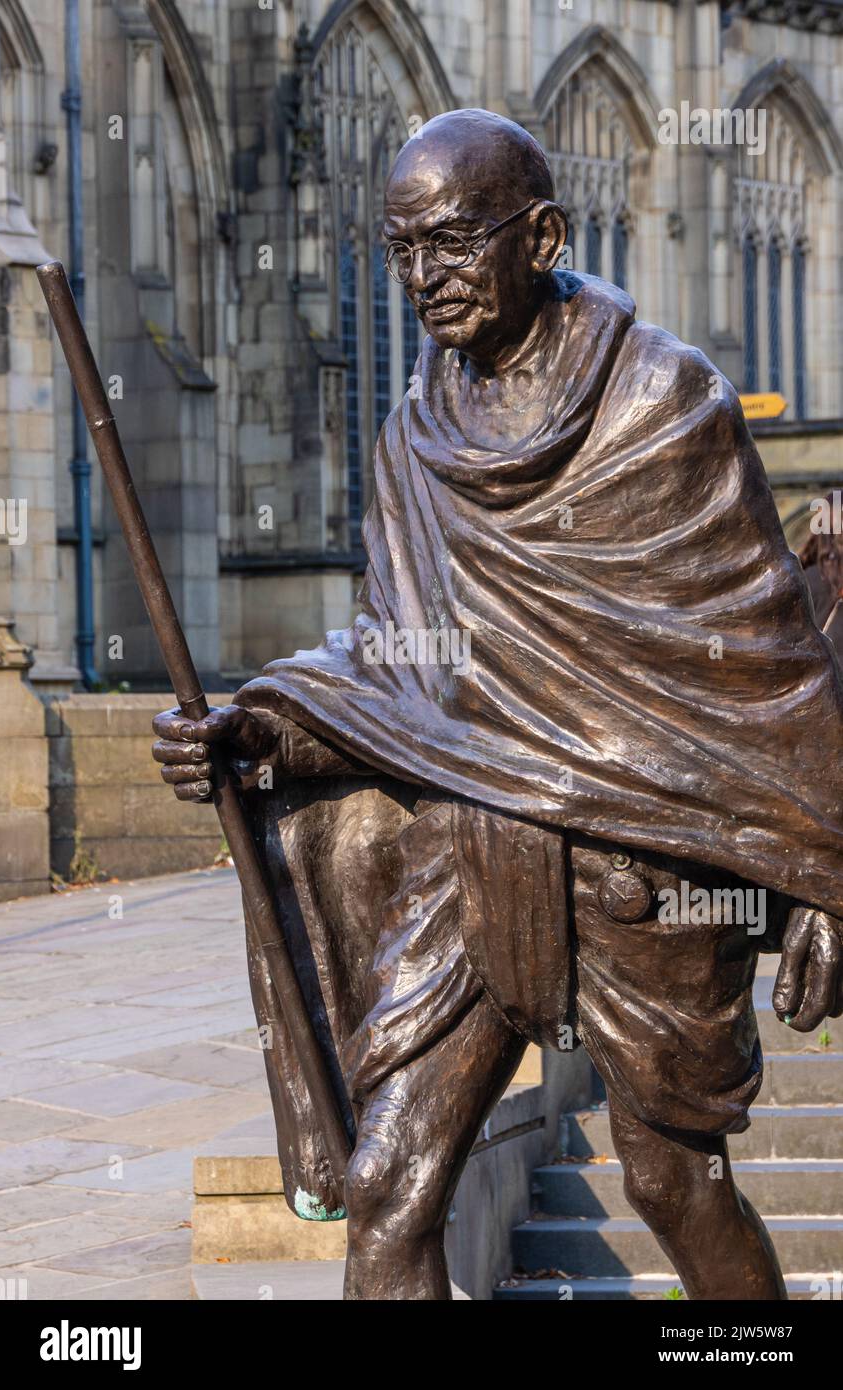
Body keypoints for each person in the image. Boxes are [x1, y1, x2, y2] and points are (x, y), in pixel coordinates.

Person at [152, 110, 843, 1300]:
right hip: (469, 849)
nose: (425, 278)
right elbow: (397, 669)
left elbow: (767, 666)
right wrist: (255, 731)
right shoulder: (416, 435)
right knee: (387, 1189)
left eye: (453, 244)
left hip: (638, 858)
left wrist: (830, 876)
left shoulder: (663, 403)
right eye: (403, 250)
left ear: (542, 235)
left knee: (675, 1184)